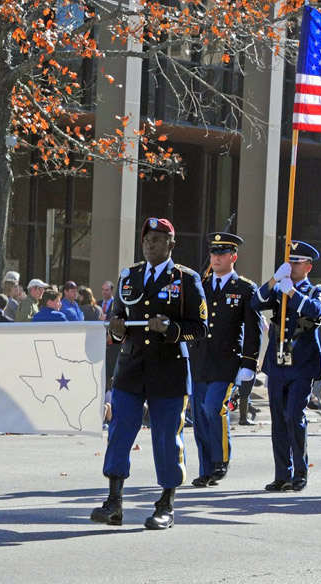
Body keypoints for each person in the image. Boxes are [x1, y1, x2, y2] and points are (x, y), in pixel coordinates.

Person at [91, 217, 207, 530]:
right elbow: (118, 319)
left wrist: (172, 330)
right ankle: (114, 500)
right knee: (119, 432)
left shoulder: (186, 279)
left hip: (168, 370)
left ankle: (166, 503)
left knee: (167, 438)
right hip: (131, 369)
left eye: (157, 239)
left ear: (171, 243)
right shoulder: (129, 275)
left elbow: (200, 329)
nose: (150, 244)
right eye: (146, 239)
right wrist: (115, 331)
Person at [251, 240, 321, 492]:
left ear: (309, 266)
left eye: (297, 261)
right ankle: (282, 474)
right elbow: (255, 302)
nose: (292, 265)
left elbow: (316, 311)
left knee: (294, 416)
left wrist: (293, 293)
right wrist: (274, 281)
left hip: (302, 364)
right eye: (290, 261)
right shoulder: (277, 288)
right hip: (277, 363)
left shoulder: (316, 289)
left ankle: (300, 472)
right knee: (278, 419)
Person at [187, 232, 261, 487]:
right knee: (199, 416)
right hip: (199, 360)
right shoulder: (201, 286)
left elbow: (253, 328)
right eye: (213, 253)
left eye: (221, 254)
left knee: (213, 408)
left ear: (233, 257)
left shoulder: (244, 288)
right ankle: (206, 468)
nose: (216, 258)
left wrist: (249, 363)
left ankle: (221, 460)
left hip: (226, 361)